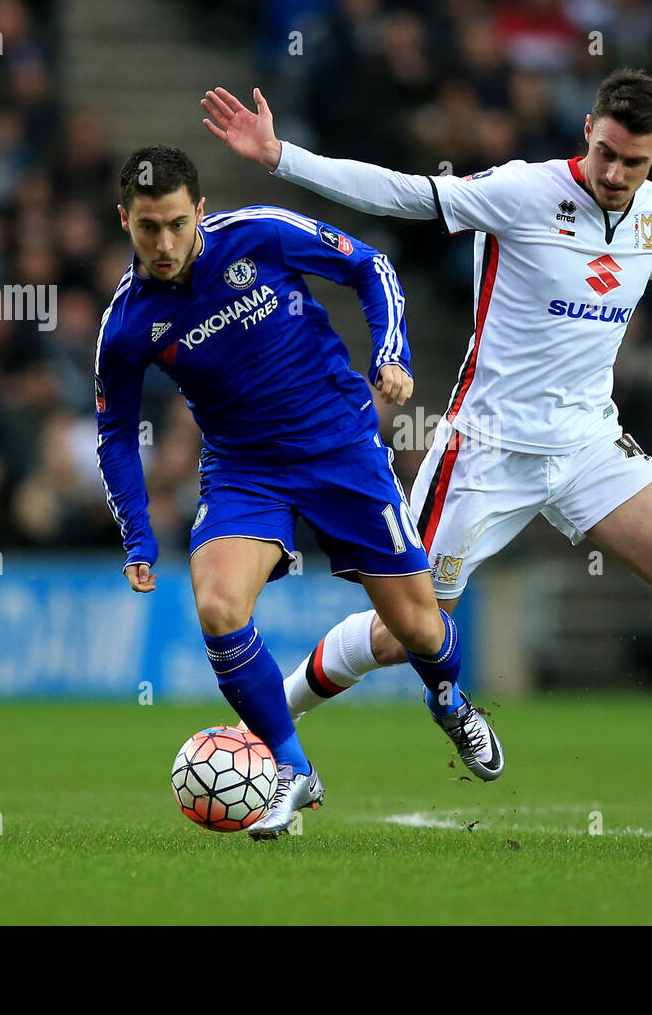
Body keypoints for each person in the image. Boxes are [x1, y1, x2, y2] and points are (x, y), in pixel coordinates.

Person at [202, 68, 652, 846]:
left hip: (589, 441)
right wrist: (280, 157)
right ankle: (267, 720)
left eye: (632, 163)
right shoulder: (521, 191)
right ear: (588, 130)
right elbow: (403, 194)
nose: (613, 174)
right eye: (604, 153)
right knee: (405, 636)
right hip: (486, 449)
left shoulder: (648, 208)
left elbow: (648, 252)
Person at [94, 145, 501, 838]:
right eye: (145, 228)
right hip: (243, 469)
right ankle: (291, 766)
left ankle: (447, 698)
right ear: (124, 220)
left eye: (173, 224)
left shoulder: (258, 233)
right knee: (219, 607)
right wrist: (137, 532)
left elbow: (370, 265)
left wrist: (391, 351)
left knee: (420, 629)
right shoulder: (128, 325)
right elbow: (114, 434)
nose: (162, 244)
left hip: (340, 448)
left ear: (199, 211)